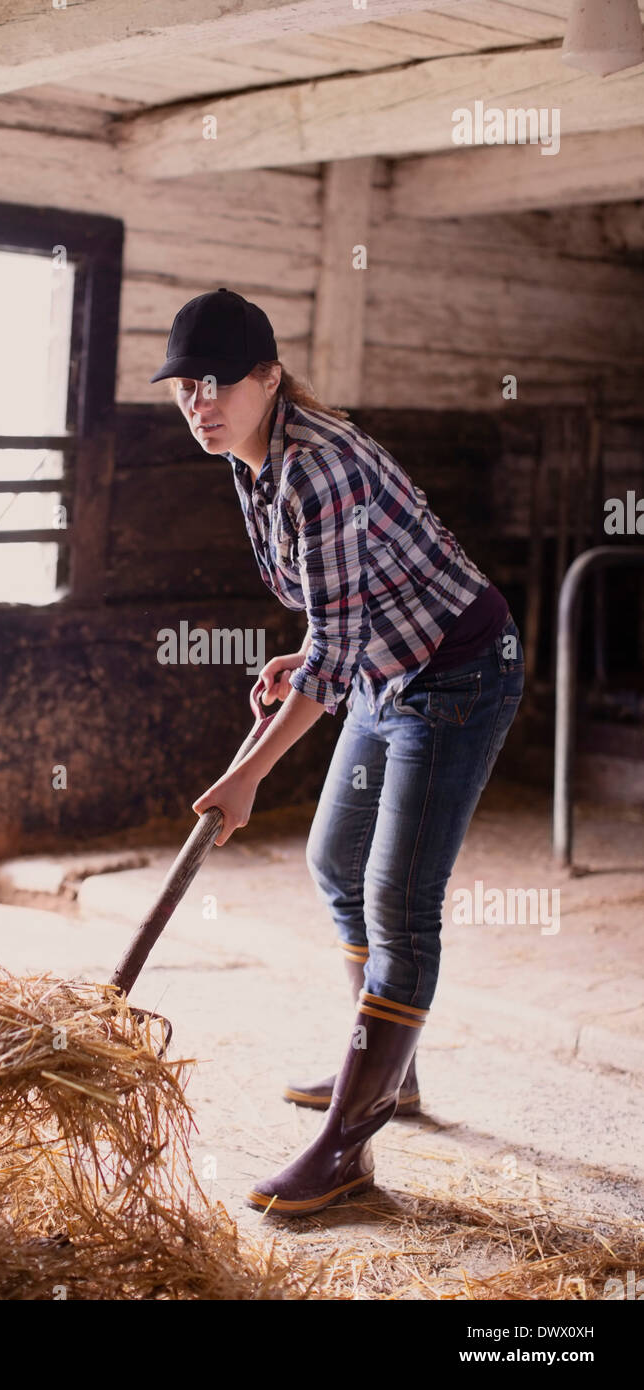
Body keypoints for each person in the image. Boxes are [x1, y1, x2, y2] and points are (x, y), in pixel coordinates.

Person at [149, 288, 525, 1216]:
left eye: (223, 382)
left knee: (400, 902)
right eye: (188, 385)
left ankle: (347, 1148)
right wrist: (307, 652)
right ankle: (386, 1076)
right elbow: (337, 616)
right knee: (333, 862)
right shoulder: (249, 458)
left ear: (270, 378)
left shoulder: (316, 466)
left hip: (458, 674)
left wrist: (244, 779)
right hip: (385, 670)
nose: (202, 401)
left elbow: (337, 652)